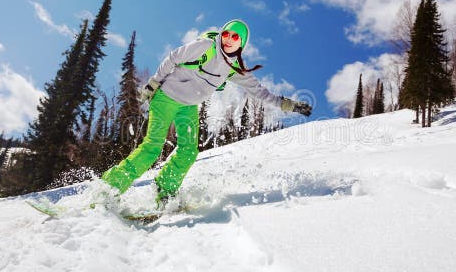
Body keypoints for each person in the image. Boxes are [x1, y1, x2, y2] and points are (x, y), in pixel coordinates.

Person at [101, 19, 312, 206]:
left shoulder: (234, 68)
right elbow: (173, 57)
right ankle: (109, 189)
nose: (229, 39)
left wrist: (288, 105)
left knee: (189, 151)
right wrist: (153, 83)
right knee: (152, 148)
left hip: (188, 107)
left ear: (241, 44)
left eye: (235, 37)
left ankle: (164, 190)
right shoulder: (205, 46)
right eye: (226, 34)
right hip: (166, 98)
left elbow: (259, 91)